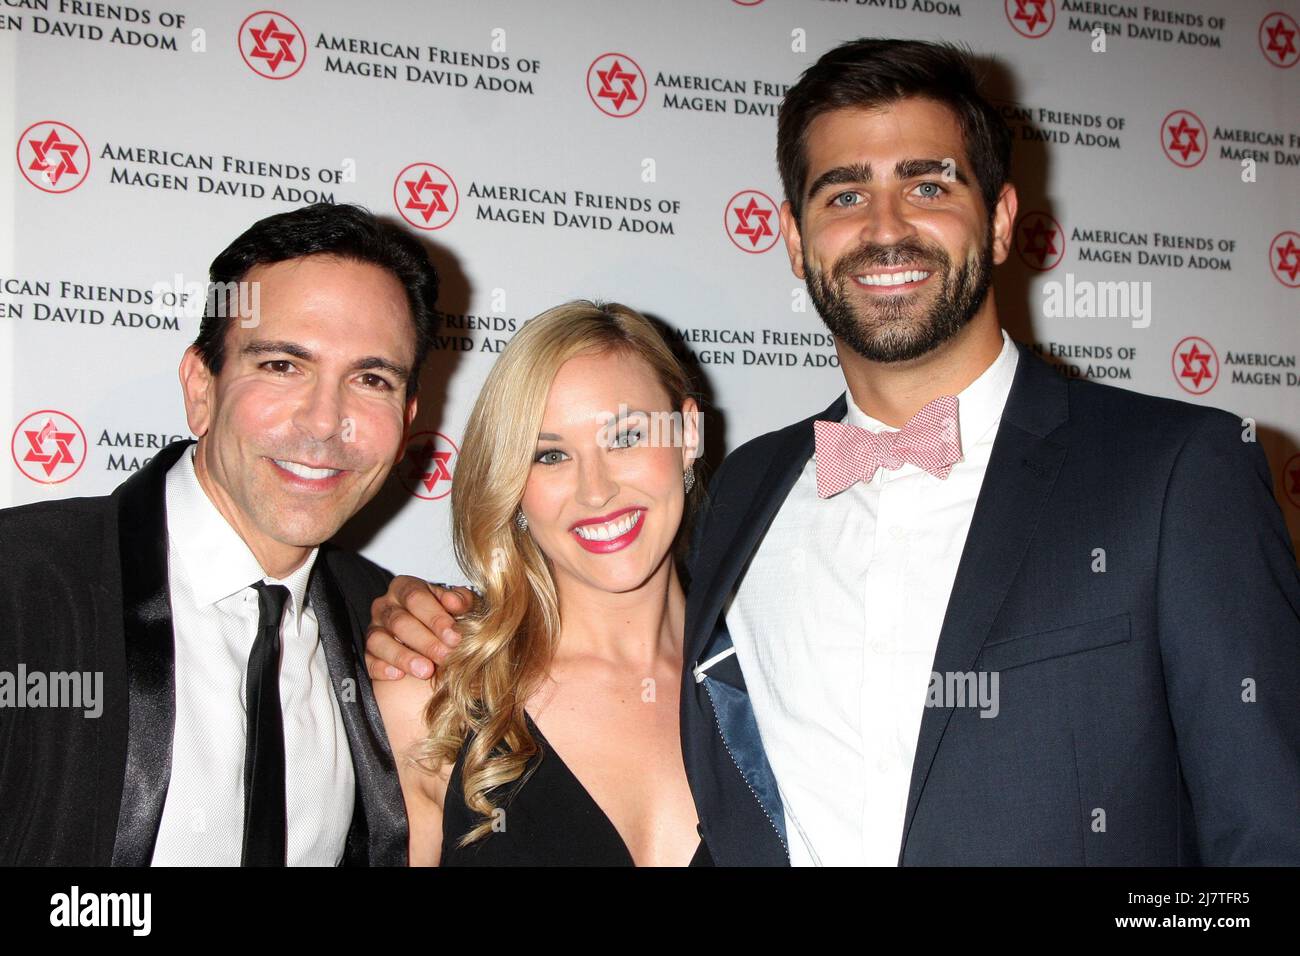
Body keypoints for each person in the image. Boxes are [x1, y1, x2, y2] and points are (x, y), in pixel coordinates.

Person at [366, 39, 1300, 867]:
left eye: (928, 185)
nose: (885, 227)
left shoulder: (1176, 470)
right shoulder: (747, 497)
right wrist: (434, 613)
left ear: (1005, 218)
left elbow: (1269, 835)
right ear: (793, 239)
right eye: (844, 194)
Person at [0, 202, 440, 865]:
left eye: (370, 379)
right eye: (282, 366)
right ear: (201, 389)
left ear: (406, 420)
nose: (325, 423)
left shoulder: (392, 630)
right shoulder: (21, 586)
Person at [373, 301, 708, 866]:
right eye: (550, 455)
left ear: (688, 434)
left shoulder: (771, 682)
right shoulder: (433, 697)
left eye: (625, 436)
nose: (595, 490)